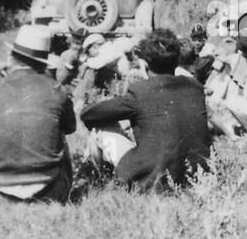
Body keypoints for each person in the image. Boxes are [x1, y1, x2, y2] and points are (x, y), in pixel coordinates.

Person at [0, 24, 76, 204]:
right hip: (50, 193)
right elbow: (70, 128)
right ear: (43, 64)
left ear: (12, 58)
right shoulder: (57, 90)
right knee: (58, 129)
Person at [79, 28, 211, 192]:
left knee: (101, 128)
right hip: (198, 176)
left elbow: (89, 114)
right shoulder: (195, 87)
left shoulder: (140, 91)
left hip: (154, 179)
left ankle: (97, 179)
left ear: (145, 65)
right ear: (177, 61)